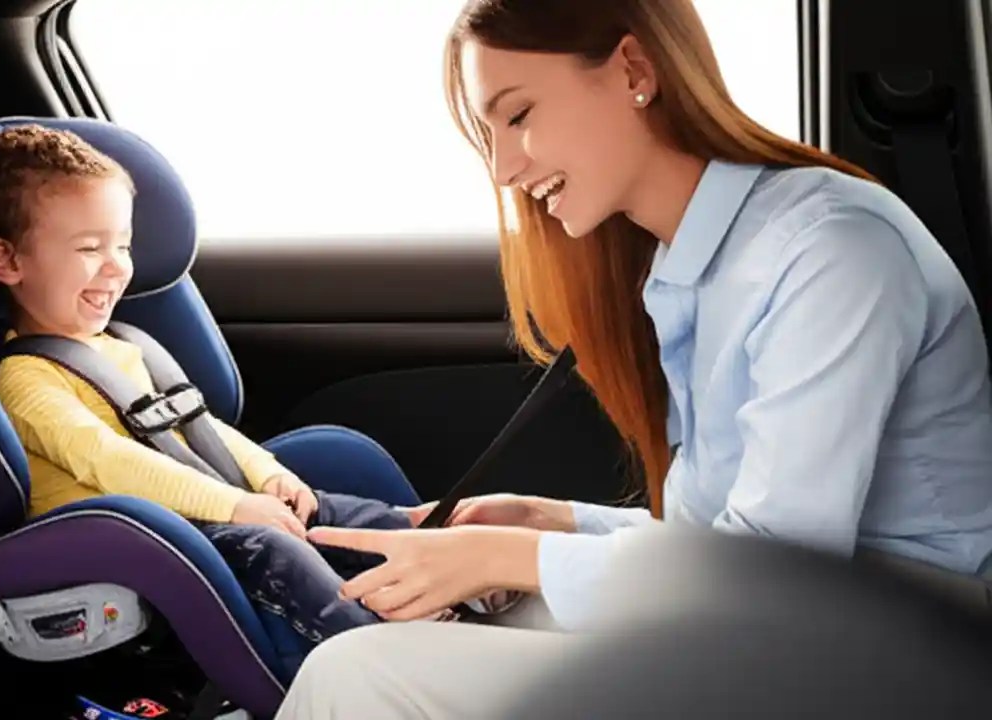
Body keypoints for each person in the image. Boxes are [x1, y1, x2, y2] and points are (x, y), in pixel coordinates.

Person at [276, 0, 992, 716]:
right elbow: (724, 543)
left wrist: (502, 559)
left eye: (518, 115)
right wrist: (555, 523)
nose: (501, 168)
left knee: (358, 674)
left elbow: (772, 570)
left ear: (634, 71)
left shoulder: (830, 253)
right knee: (431, 635)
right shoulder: (690, 266)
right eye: (487, 134)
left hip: (902, 659)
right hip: (797, 629)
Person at [0, 124, 431, 676]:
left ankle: (452, 565)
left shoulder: (124, 347)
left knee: (332, 511)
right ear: (7, 262)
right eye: (89, 248)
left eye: (123, 245)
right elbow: (111, 461)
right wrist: (234, 504)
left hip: (206, 510)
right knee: (277, 550)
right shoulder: (27, 380)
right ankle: (389, 665)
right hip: (149, 547)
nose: (116, 266)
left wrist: (268, 473)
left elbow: (200, 425)